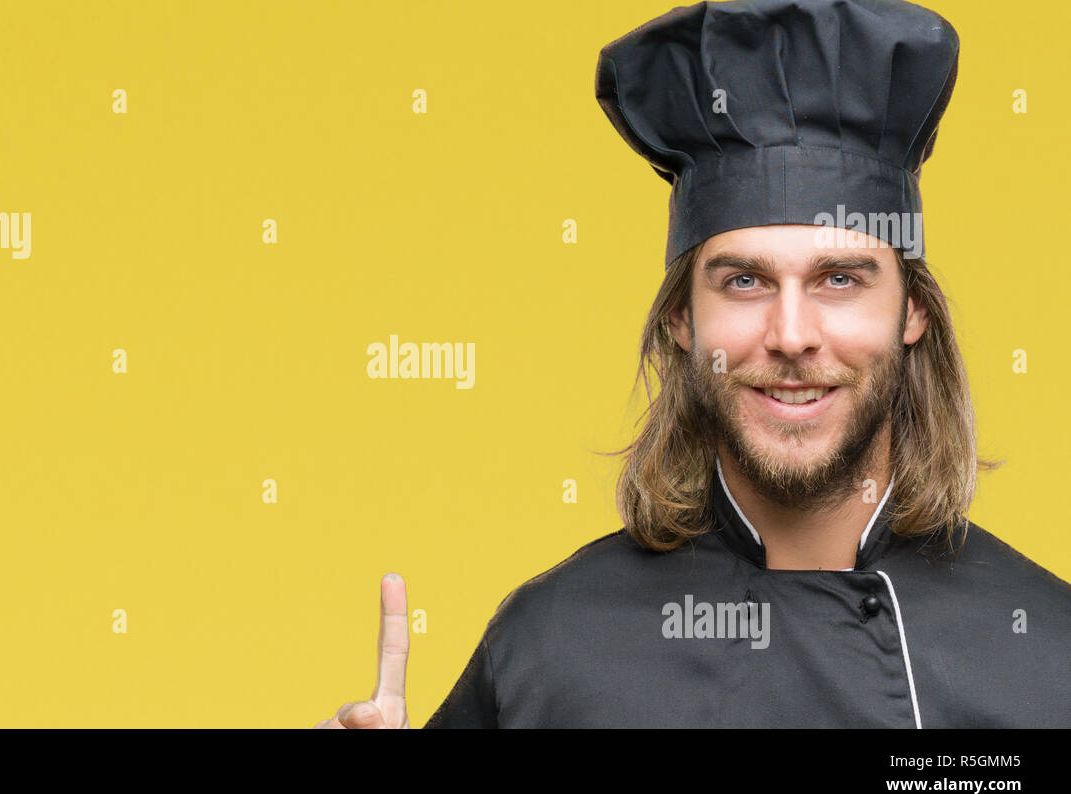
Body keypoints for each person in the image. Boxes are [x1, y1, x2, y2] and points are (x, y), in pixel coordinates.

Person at [314, 0, 1071, 729]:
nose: (792, 334)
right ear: (682, 318)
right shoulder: (555, 650)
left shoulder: (1045, 654)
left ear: (913, 314)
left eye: (840, 278)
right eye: (745, 281)